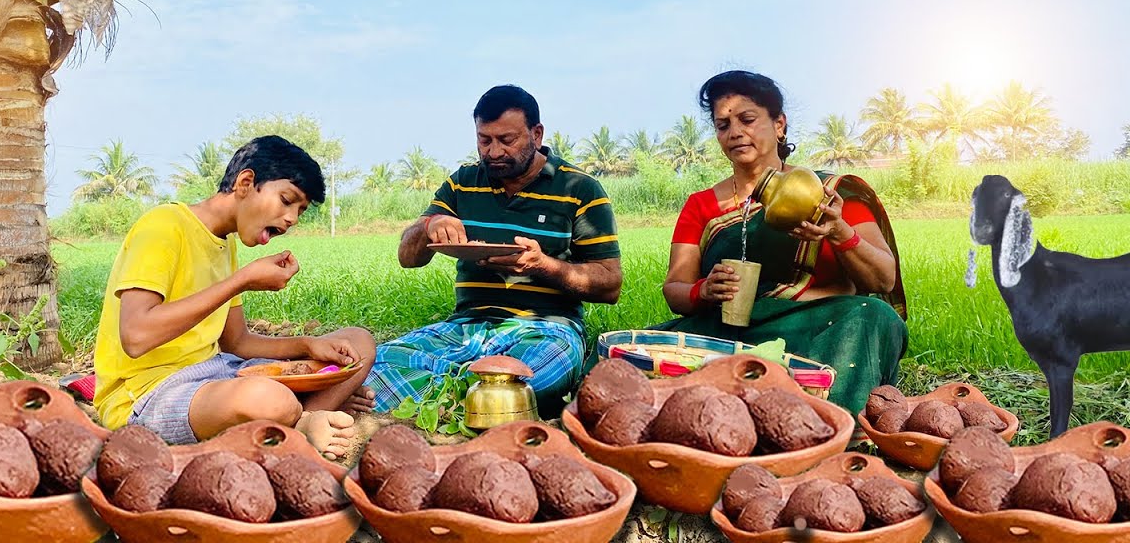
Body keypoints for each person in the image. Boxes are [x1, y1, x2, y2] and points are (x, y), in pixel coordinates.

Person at [93, 135, 376, 460]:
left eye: (300, 210)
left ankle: (306, 415)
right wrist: (240, 281)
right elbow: (135, 336)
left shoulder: (224, 242)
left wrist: (308, 345)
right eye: (287, 200)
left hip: (218, 371)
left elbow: (237, 342)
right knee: (270, 400)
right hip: (149, 392)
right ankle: (301, 420)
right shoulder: (163, 226)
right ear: (245, 183)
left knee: (359, 342)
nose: (292, 219)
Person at [658, 71, 908, 417]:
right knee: (629, 351)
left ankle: (825, 421)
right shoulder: (701, 205)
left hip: (818, 332)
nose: (735, 132)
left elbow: (883, 279)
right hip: (731, 333)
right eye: (723, 125)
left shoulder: (829, 192)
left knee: (873, 316)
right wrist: (704, 291)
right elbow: (675, 289)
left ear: (779, 125)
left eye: (747, 119)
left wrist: (839, 232)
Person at [366, 85, 623, 417]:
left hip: (545, 330)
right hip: (466, 327)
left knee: (537, 372)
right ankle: (477, 398)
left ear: (537, 134)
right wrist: (430, 225)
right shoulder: (462, 183)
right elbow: (407, 257)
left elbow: (610, 285)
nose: (494, 151)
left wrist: (542, 265)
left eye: (506, 140)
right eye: (484, 140)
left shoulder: (580, 189)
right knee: (372, 364)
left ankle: (440, 397)